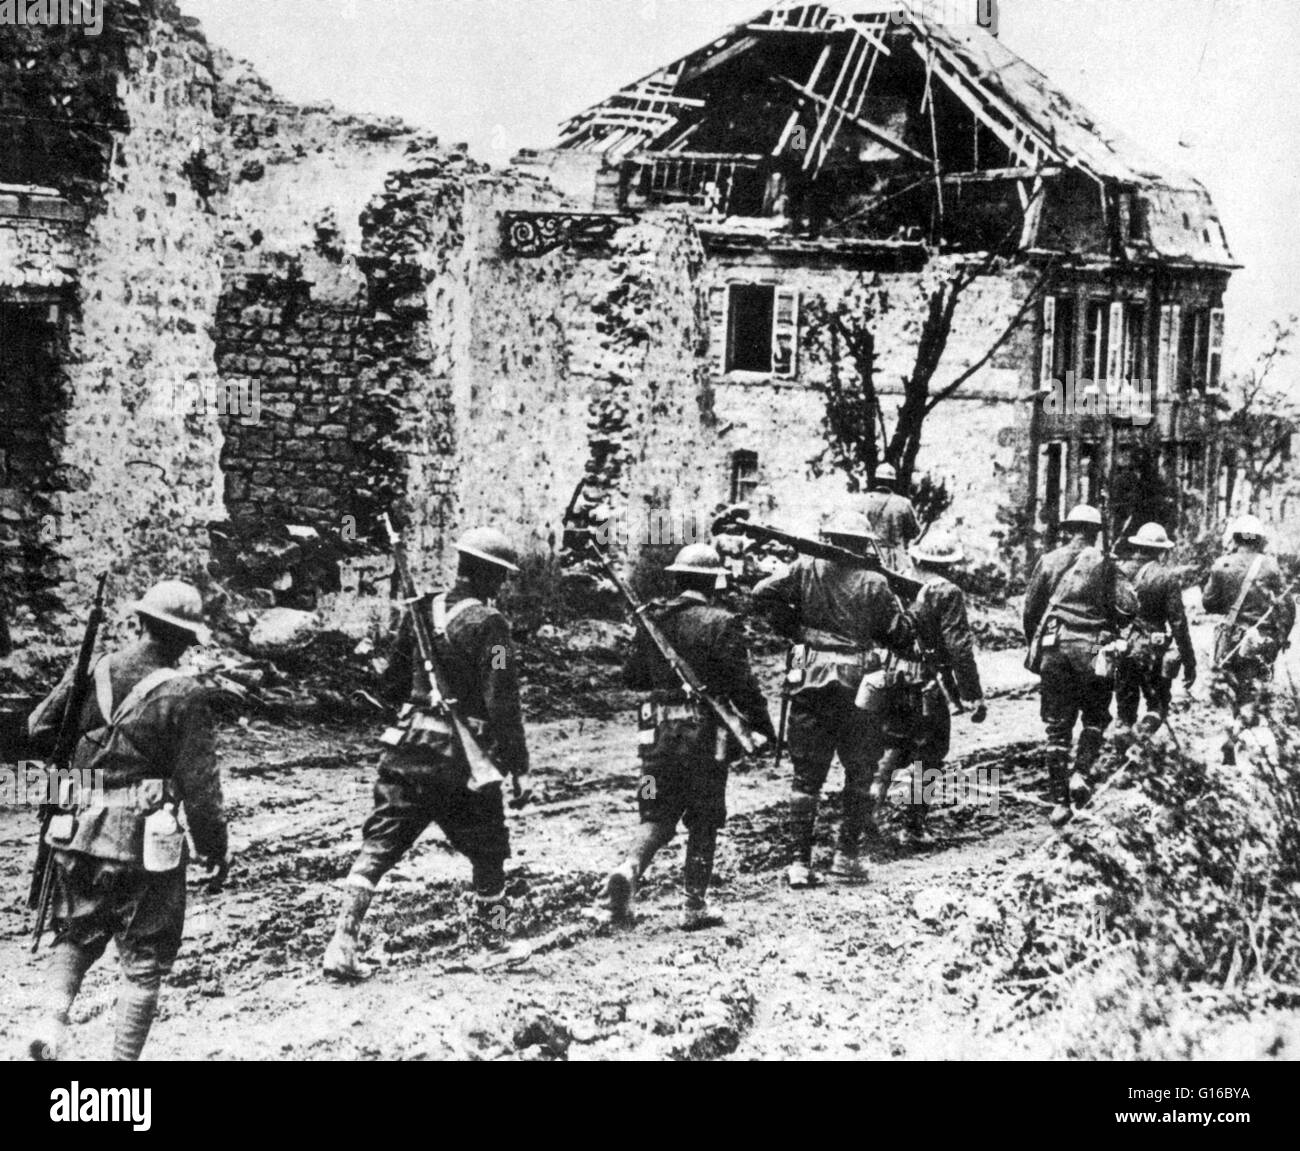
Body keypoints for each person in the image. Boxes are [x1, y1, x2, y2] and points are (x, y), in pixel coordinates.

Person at [26, 580, 229, 1061]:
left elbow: (37, 728)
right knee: (143, 959)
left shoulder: (97, 670)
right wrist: (214, 849)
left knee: (75, 934)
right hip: (144, 844)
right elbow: (201, 789)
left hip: (77, 830)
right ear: (184, 640)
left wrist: (82, 761)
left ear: (141, 622)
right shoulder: (187, 694)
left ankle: (51, 1025)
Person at [323, 527, 531, 978]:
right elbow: (501, 700)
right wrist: (519, 766)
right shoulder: (490, 626)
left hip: (408, 749)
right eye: (501, 576)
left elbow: (392, 683)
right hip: (460, 762)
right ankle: (493, 940)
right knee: (490, 849)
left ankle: (342, 942)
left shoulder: (420, 611)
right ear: (492, 576)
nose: (502, 585)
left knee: (379, 847)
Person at [602, 544, 775, 930]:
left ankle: (629, 869)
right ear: (714, 581)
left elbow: (632, 677)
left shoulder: (653, 620)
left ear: (677, 577)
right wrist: (764, 728)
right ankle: (694, 905)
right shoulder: (722, 622)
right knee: (705, 817)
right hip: (705, 738)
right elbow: (743, 685)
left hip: (656, 737)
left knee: (655, 813)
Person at [752, 511, 913, 886]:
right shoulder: (874, 581)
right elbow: (899, 635)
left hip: (810, 679)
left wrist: (799, 631)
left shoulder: (804, 568)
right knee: (859, 773)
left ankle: (799, 864)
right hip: (859, 686)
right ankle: (846, 858)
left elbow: (763, 594)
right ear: (860, 543)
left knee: (806, 777)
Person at [872, 531, 987, 847]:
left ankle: (866, 817)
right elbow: (959, 647)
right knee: (931, 751)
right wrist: (971, 693)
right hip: (927, 681)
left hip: (892, 673)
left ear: (918, 557)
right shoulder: (947, 592)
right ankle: (913, 826)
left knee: (892, 744)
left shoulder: (895, 583)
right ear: (949, 564)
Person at [1023, 504, 1135, 827]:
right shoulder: (1107, 564)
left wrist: (1040, 648)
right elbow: (1129, 608)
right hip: (1094, 652)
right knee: (1096, 717)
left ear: (1068, 529)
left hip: (1054, 650)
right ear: (1097, 532)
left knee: (1057, 727)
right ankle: (1081, 774)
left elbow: (1031, 612)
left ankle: (1059, 803)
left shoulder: (1048, 561)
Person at [1202, 514, 1295, 717]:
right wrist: (1279, 641)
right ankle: (1243, 735)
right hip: (1260, 642)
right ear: (1260, 540)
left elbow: (1208, 603)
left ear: (1235, 539)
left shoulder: (1221, 565)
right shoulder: (1270, 566)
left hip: (1229, 640)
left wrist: (1230, 607)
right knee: (1254, 697)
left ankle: (1234, 734)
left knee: (1231, 694)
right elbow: (1288, 609)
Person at [1113, 523, 1196, 737]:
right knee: (1158, 705)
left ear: (1139, 546)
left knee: (1125, 707)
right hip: (1152, 651)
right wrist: (1189, 661)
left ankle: (1123, 737)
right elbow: (1178, 623)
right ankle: (1142, 735)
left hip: (1121, 647)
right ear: (1161, 550)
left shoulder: (1118, 572)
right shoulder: (1166, 577)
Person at [862, 464, 921, 573]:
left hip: (870, 555)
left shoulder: (864, 500)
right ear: (893, 482)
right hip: (897, 560)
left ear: (876, 480)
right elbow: (914, 532)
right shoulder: (903, 503)